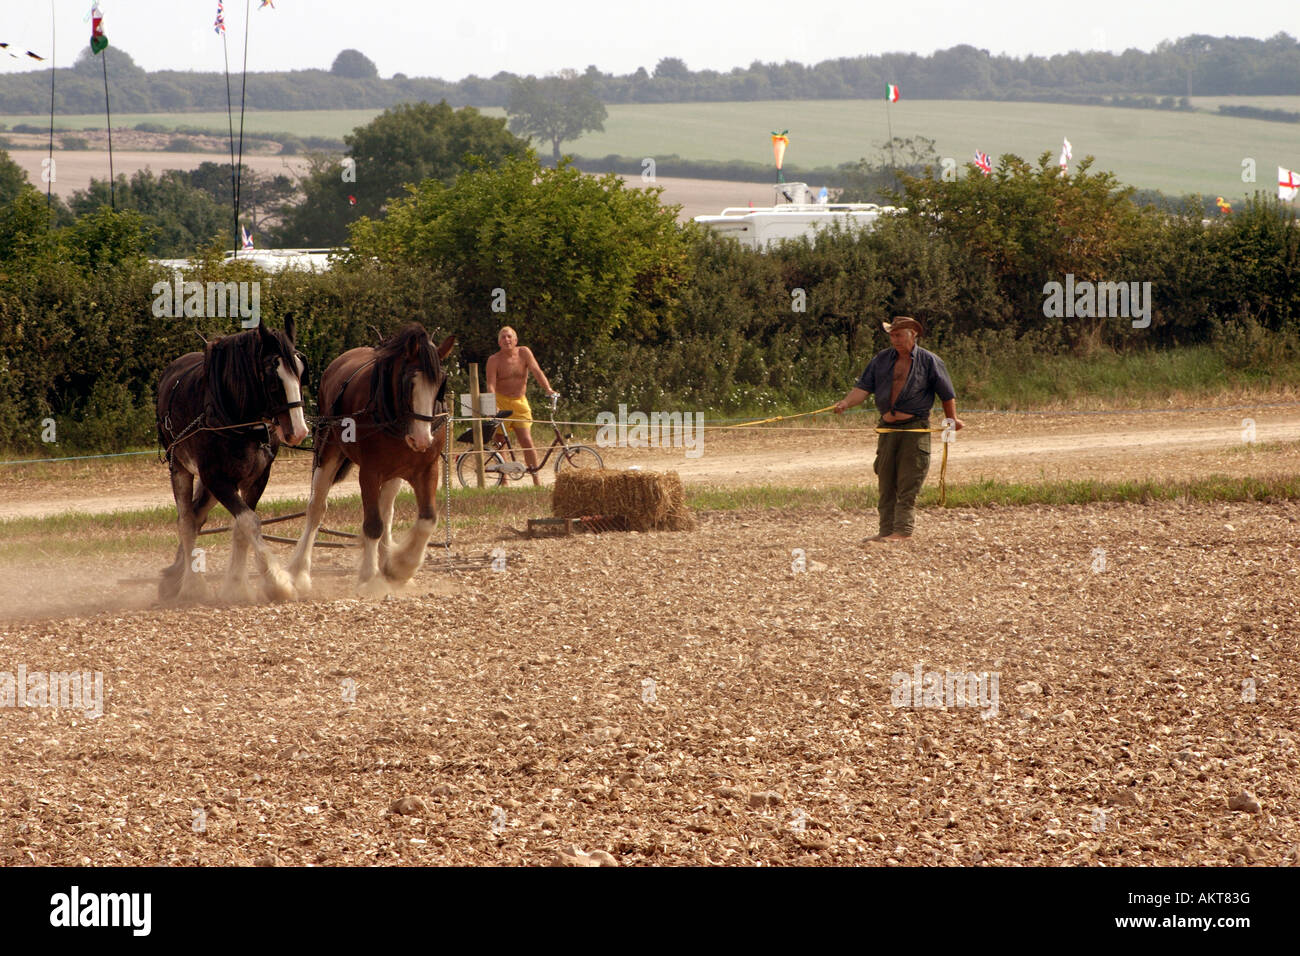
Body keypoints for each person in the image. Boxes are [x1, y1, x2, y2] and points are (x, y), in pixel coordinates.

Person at [833, 317, 964, 542]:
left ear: (913, 335)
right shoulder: (881, 360)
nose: (895, 340)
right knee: (885, 479)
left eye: (899, 335)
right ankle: (885, 531)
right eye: (892, 335)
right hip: (887, 429)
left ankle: (902, 531)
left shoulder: (930, 361)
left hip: (915, 428)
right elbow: (862, 389)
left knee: (909, 479)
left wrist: (952, 419)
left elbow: (946, 394)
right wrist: (845, 403)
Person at [485, 326, 557, 486]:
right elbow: (490, 385)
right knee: (500, 441)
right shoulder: (493, 360)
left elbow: (537, 371)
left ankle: (536, 479)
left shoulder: (524, 352)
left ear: (516, 340)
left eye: (509, 337)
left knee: (526, 440)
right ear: (498, 342)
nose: (506, 340)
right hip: (500, 400)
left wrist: (548, 389)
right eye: (503, 337)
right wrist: (492, 406)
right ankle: (504, 481)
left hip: (520, 401)